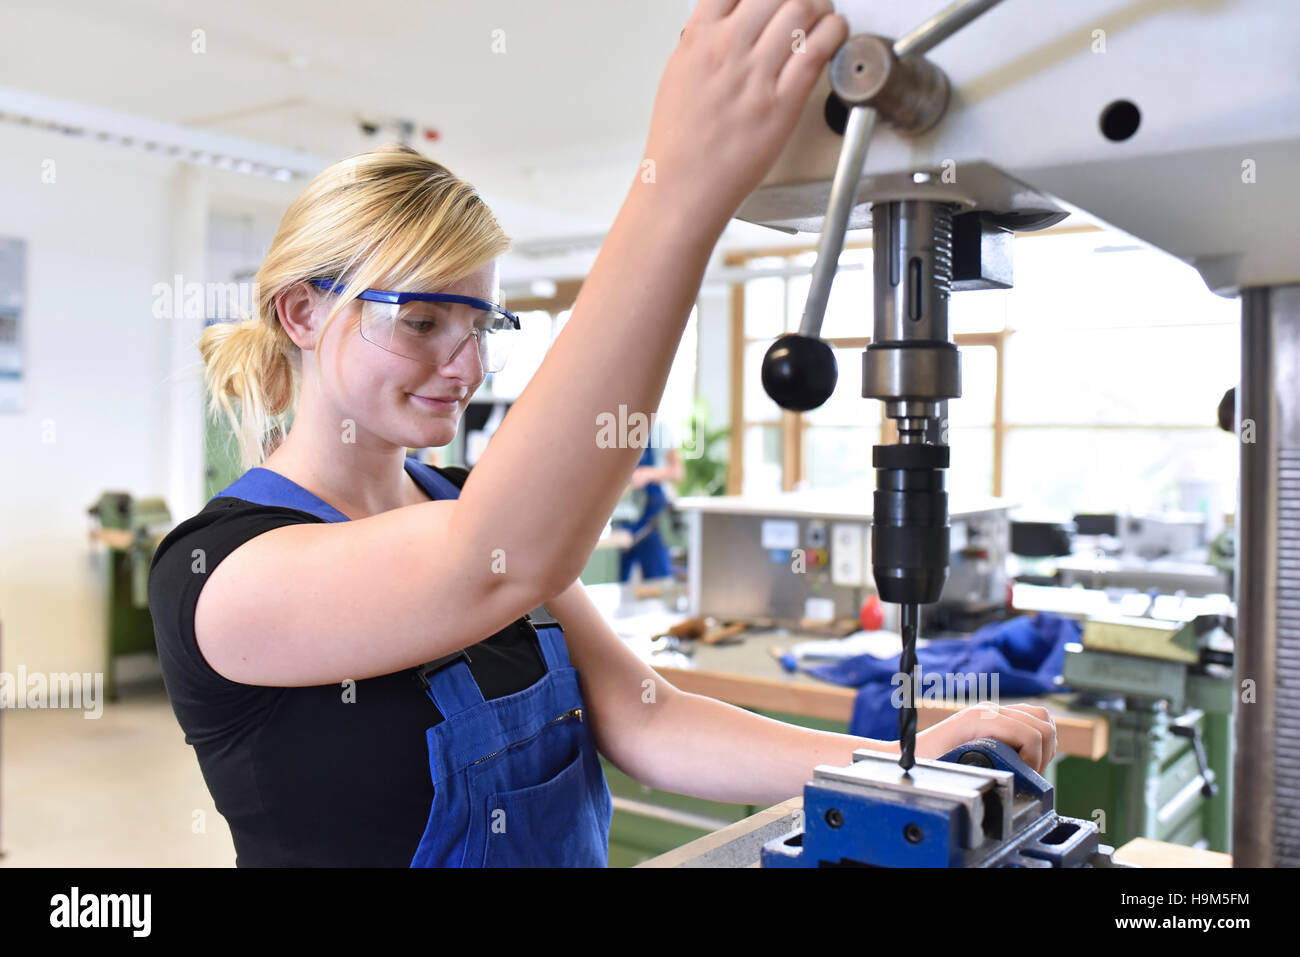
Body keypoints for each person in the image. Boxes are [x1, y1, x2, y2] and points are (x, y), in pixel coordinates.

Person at [148, 0, 1056, 867]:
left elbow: (648, 717)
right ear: (303, 312)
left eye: (481, 329)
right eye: (423, 322)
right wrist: (683, 182)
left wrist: (899, 764)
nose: (464, 371)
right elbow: (492, 558)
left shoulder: (458, 499)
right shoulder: (226, 576)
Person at [617, 443, 684, 582]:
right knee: (617, 582)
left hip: (652, 522)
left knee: (658, 582)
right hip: (623, 522)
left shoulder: (659, 431)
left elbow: (678, 472)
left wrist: (648, 474)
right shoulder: (614, 432)